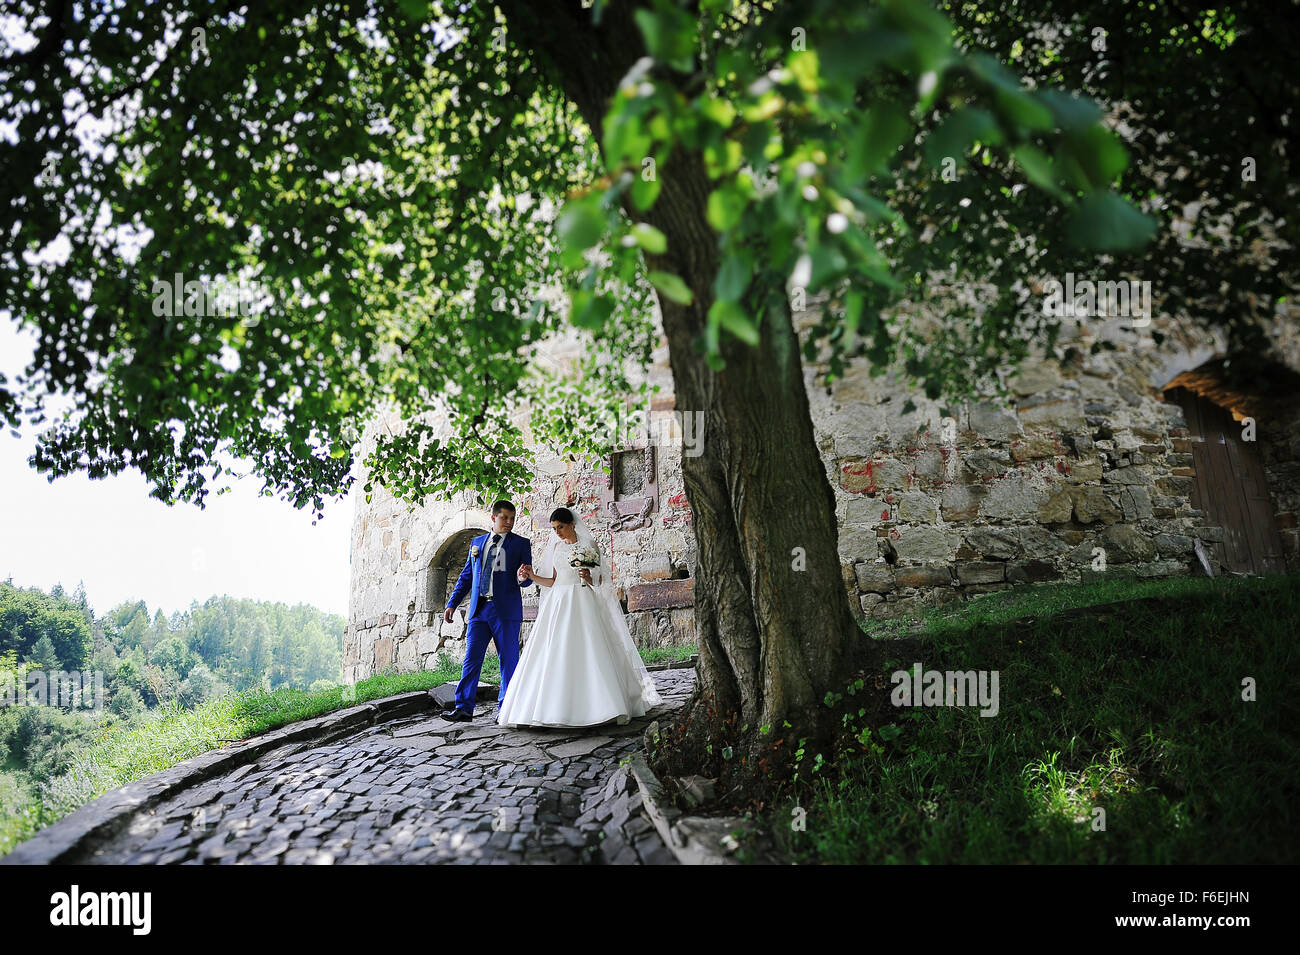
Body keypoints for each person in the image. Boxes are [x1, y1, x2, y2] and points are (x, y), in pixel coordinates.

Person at [496, 507, 662, 728]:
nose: (558, 533)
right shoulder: (555, 547)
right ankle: (549, 709)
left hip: (583, 599)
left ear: (572, 524)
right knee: (553, 651)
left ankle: (602, 706)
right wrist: (532, 576)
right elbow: (554, 581)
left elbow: (601, 581)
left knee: (591, 649)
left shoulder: (590, 546)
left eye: (561, 527)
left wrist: (588, 576)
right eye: (554, 529)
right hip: (558, 602)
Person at [441, 500, 534, 722]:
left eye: (512, 518)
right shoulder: (477, 543)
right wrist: (452, 604)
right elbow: (466, 577)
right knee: (471, 659)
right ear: (493, 518)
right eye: (505, 518)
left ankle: (507, 708)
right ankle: (463, 708)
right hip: (479, 610)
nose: (509, 522)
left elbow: (526, 579)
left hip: (506, 610)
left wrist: (523, 578)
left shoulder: (521, 544)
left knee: (508, 661)